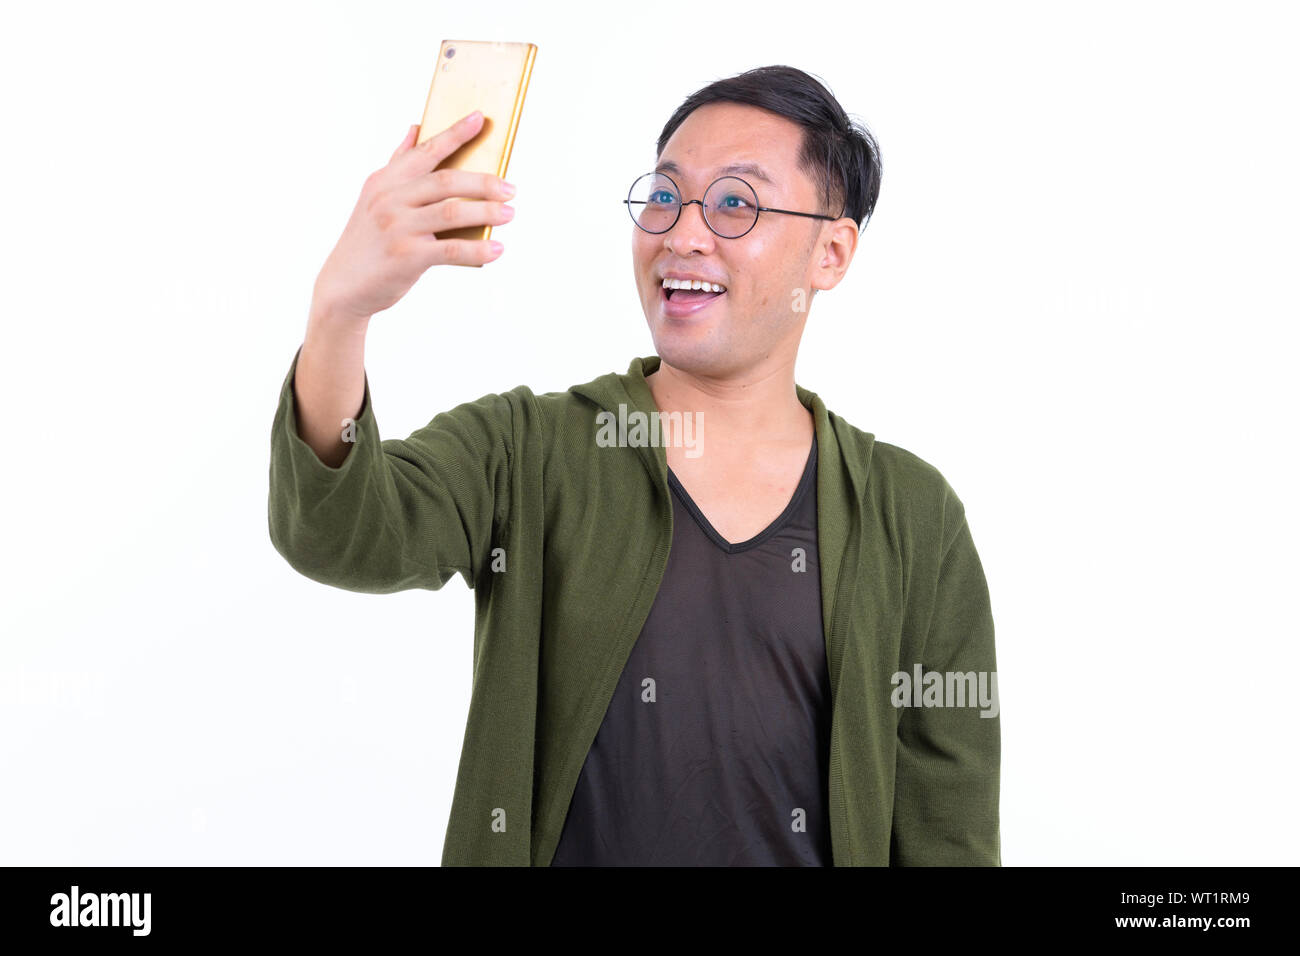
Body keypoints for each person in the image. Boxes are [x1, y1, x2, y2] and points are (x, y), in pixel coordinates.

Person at [268, 64, 1000, 866]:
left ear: (830, 253)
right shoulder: (529, 449)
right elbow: (341, 531)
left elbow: (949, 835)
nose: (682, 234)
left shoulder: (912, 516)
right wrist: (341, 311)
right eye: (663, 195)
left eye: (734, 203)